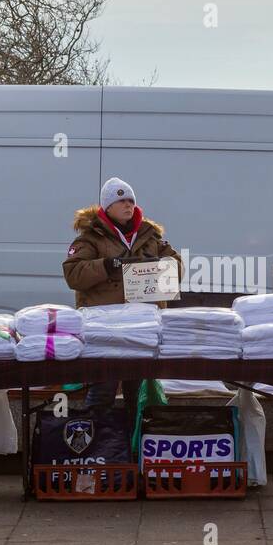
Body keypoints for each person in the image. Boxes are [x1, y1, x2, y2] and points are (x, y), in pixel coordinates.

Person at [62, 178, 181, 421]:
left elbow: (177, 267)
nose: (128, 205)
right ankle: (95, 442)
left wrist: (157, 267)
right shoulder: (90, 237)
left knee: (138, 394)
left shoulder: (150, 235)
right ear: (107, 207)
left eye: (130, 200)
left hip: (143, 328)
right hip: (105, 329)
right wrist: (107, 265)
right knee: (103, 389)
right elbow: (73, 274)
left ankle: (135, 446)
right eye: (121, 201)